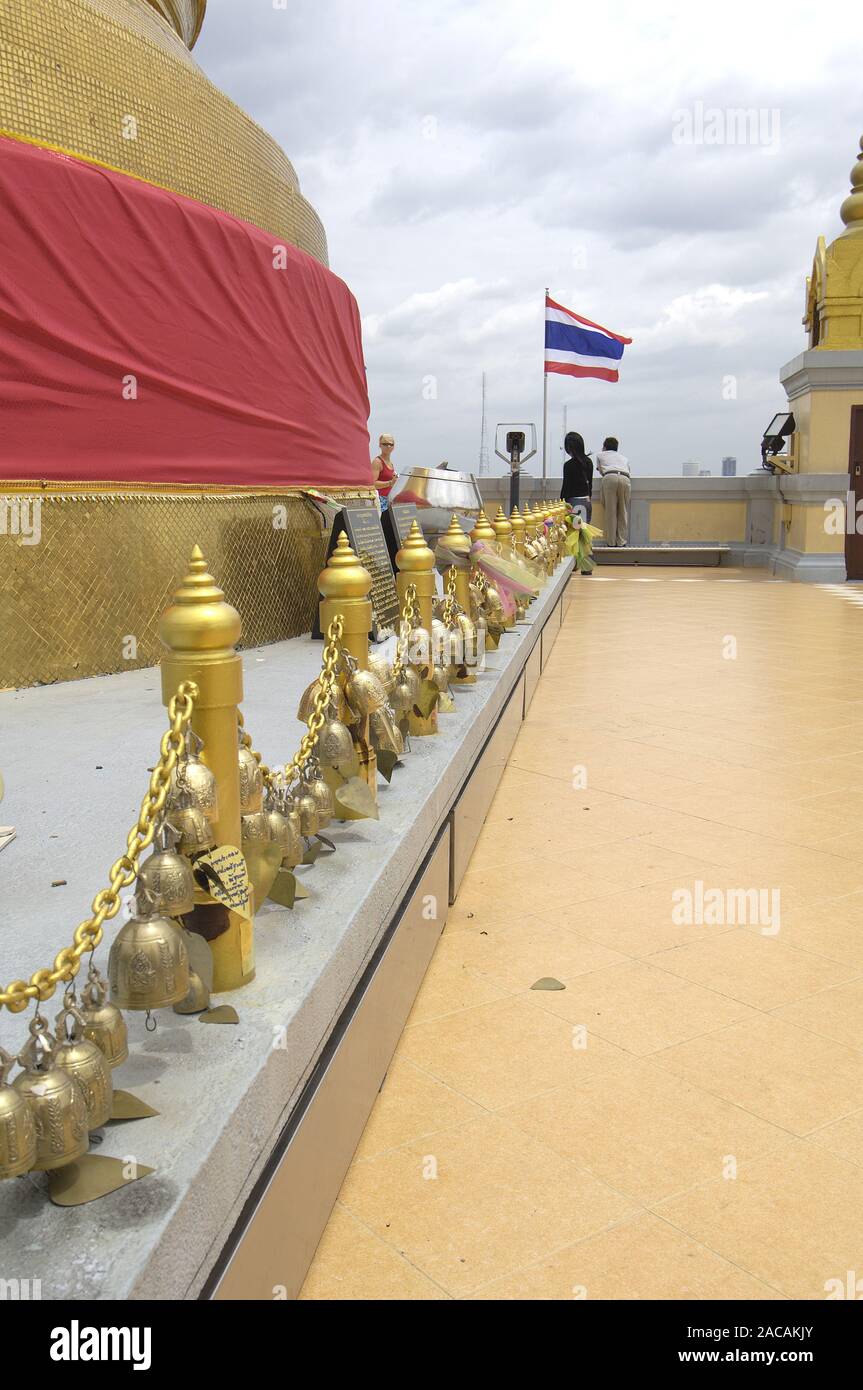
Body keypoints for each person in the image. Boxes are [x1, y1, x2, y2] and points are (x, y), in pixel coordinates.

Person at [597, 436, 631, 546]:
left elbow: (601, 471)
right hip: (625, 478)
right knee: (623, 511)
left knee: (610, 512)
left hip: (610, 477)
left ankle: (611, 543)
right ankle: (621, 542)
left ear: (605, 447)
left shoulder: (600, 455)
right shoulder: (624, 458)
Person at [560, 431, 593, 523]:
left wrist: (562, 503)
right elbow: (590, 485)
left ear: (569, 448)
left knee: (574, 534)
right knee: (585, 532)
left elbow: (566, 488)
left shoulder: (568, 465)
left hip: (574, 503)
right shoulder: (588, 462)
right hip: (587, 502)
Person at [371, 433, 397, 510]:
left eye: (390, 444)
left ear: (393, 447)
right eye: (385, 444)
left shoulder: (391, 463)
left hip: (388, 500)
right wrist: (390, 483)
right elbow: (373, 484)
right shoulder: (377, 462)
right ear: (380, 445)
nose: (388, 446)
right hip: (380, 501)